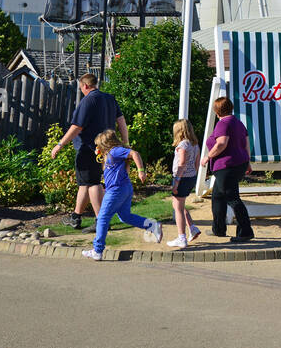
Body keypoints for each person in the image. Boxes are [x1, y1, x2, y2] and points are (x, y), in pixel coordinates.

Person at [51, 73, 129, 229]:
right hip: (107, 148)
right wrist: (125, 142)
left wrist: (60, 144)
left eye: (81, 87)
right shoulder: (109, 99)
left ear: (85, 85)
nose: (82, 90)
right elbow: (121, 121)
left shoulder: (88, 100)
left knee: (93, 183)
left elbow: (77, 127)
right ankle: (76, 217)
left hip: (89, 148)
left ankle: (101, 221)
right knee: (84, 183)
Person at [82, 129, 163, 261]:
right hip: (123, 188)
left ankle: (97, 250)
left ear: (105, 143)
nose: (98, 148)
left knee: (103, 218)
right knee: (125, 217)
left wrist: (141, 171)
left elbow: (135, 154)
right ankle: (152, 226)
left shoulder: (115, 150)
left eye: (99, 145)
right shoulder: (110, 154)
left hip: (116, 190)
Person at [200, 96, 254, 240]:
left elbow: (222, 143)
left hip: (227, 166)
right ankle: (218, 229)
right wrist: (248, 161)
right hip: (239, 163)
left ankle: (246, 231)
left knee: (233, 198)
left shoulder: (223, 123)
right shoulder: (239, 123)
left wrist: (208, 157)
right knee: (217, 196)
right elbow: (246, 144)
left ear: (217, 111)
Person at [166, 119, 202, 249]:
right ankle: (192, 228)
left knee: (178, 208)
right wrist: (193, 175)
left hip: (181, 178)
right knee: (177, 204)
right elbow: (197, 164)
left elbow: (181, 163)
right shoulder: (195, 144)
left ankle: (181, 237)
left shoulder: (183, 145)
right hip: (191, 177)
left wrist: (176, 182)